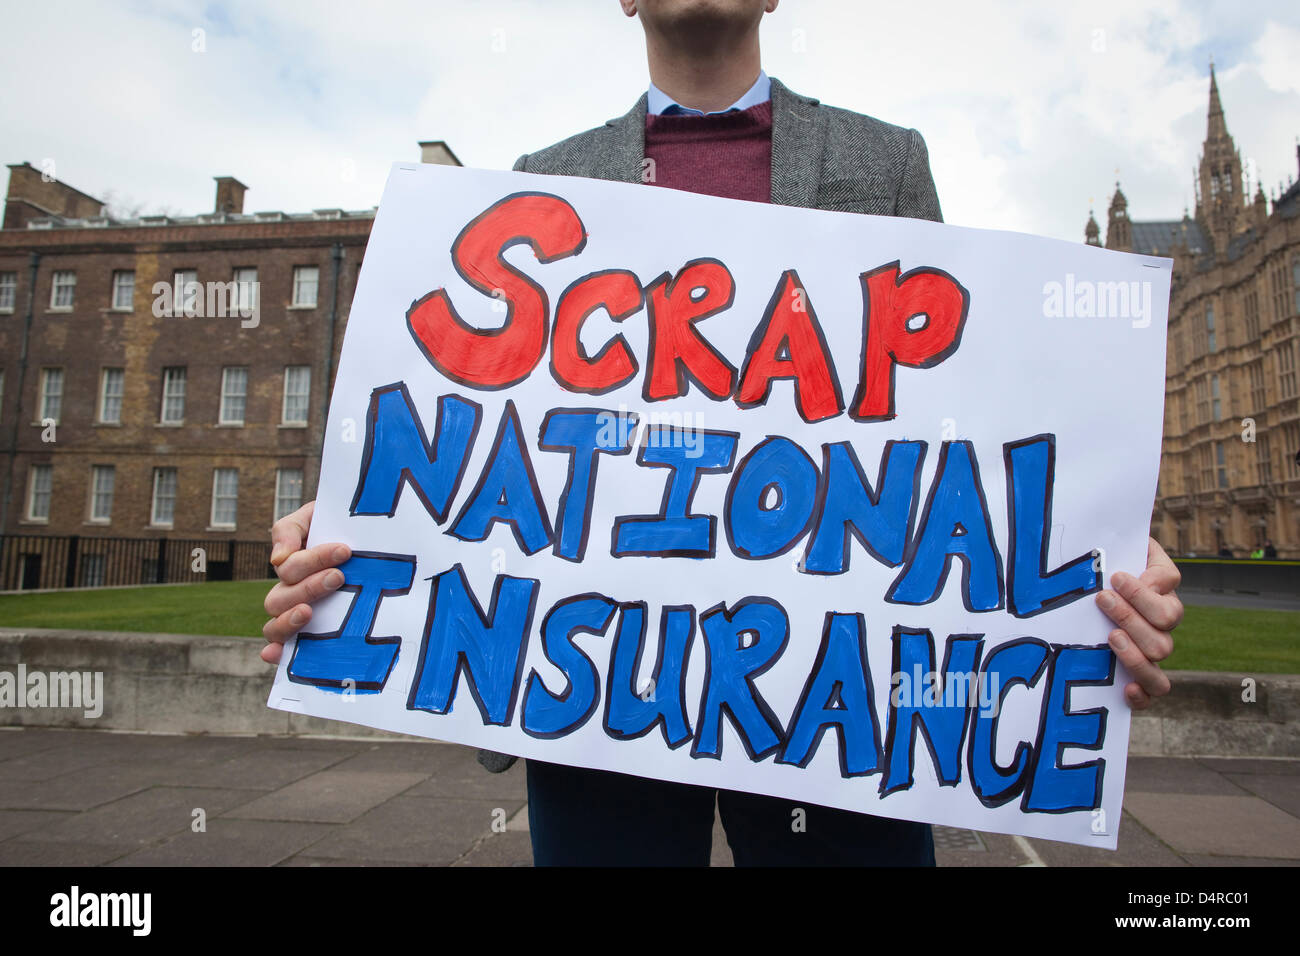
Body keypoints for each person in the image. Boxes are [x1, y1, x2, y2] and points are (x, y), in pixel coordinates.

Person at [262, 0, 1185, 866]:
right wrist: (360, 517)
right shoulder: (543, 173)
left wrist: (1088, 545)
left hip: (835, 704)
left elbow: (957, 408)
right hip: (595, 683)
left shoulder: (888, 158)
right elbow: (491, 419)